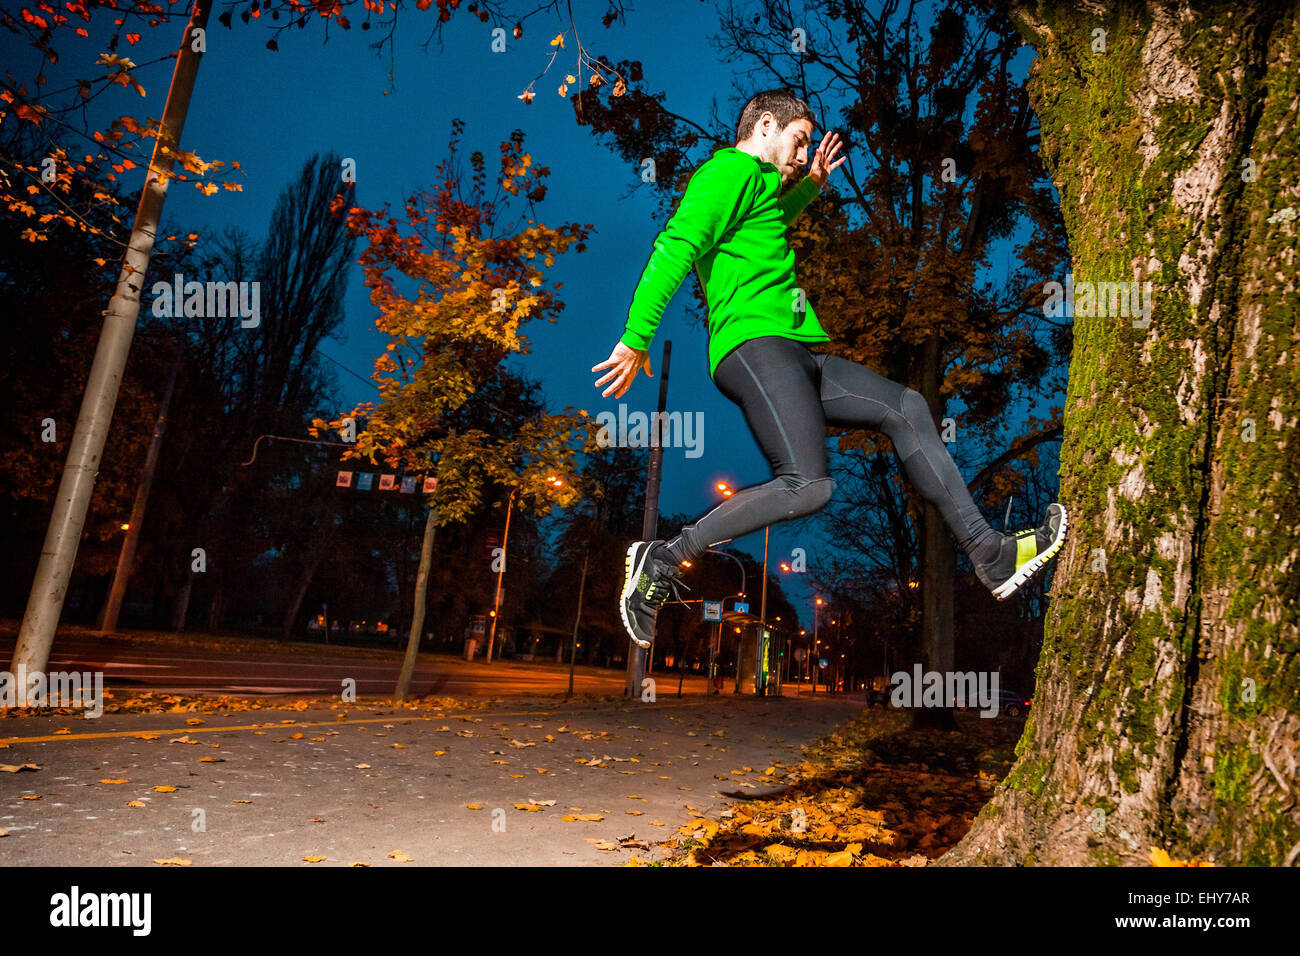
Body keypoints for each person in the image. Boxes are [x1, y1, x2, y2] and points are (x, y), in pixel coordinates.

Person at [592, 89, 1067, 649]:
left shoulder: (758, 187)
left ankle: (990, 554)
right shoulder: (724, 172)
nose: (801, 154)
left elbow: (766, 219)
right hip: (754, 346)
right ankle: (664, 557)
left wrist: (813, 185)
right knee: (808, 486)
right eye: (799, 142)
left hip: (797, 351)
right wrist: (635, 336)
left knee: (908, 407)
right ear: (765, 125)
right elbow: (677, 246)